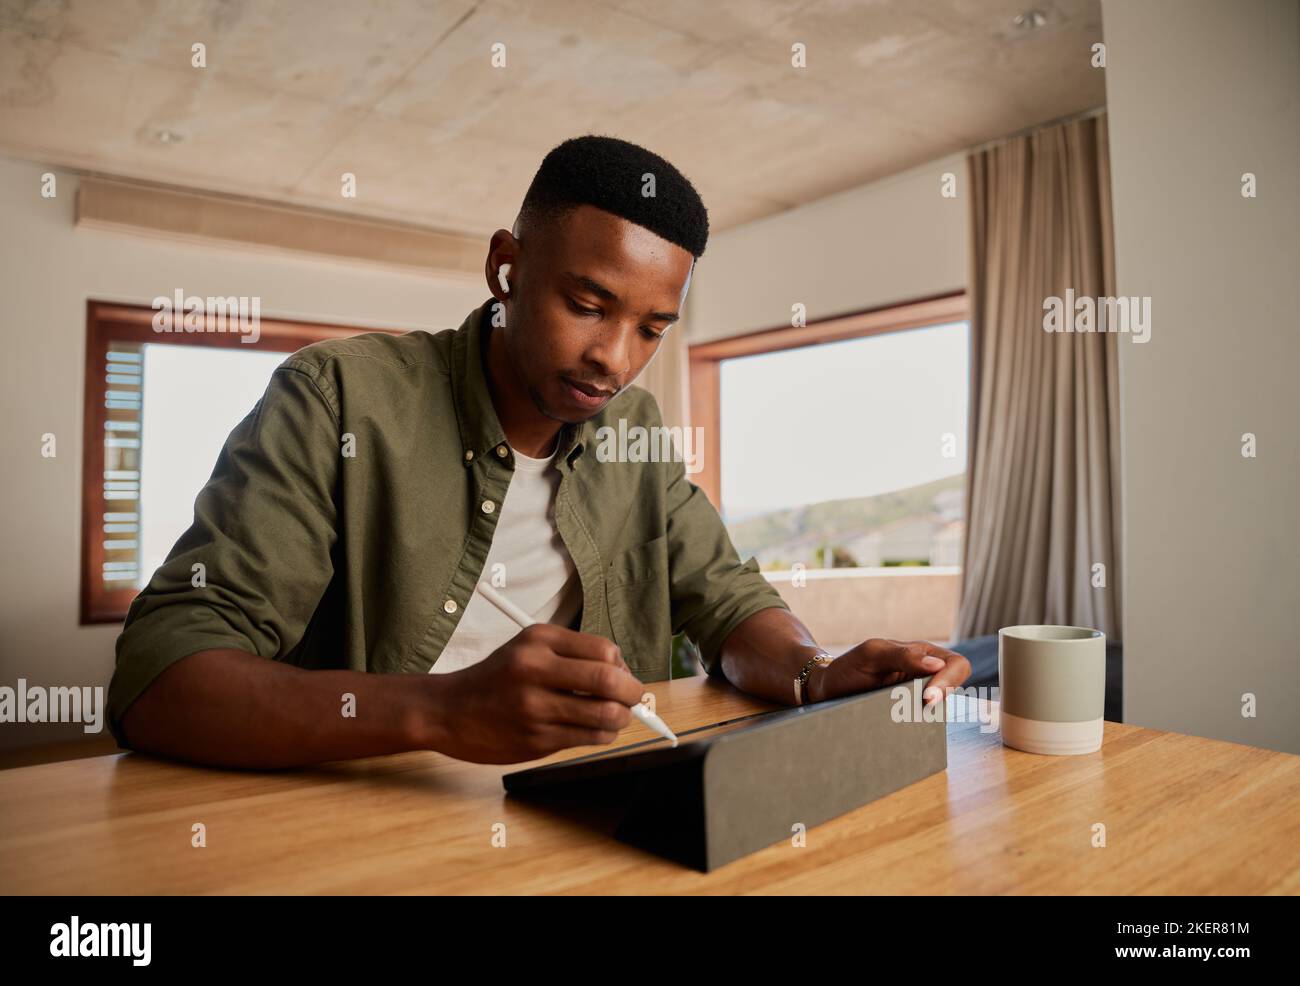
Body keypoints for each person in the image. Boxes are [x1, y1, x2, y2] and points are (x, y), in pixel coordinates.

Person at [108, 134, 970, 769]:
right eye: (588, 304)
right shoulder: (341, 397)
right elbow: (161, 681)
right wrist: (443, 712)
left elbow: (726, 601)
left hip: (587, 807)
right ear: (506, 267)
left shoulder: (634, 430)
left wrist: (819, 671)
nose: (615, 358)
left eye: (652, 329)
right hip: (372, 809)